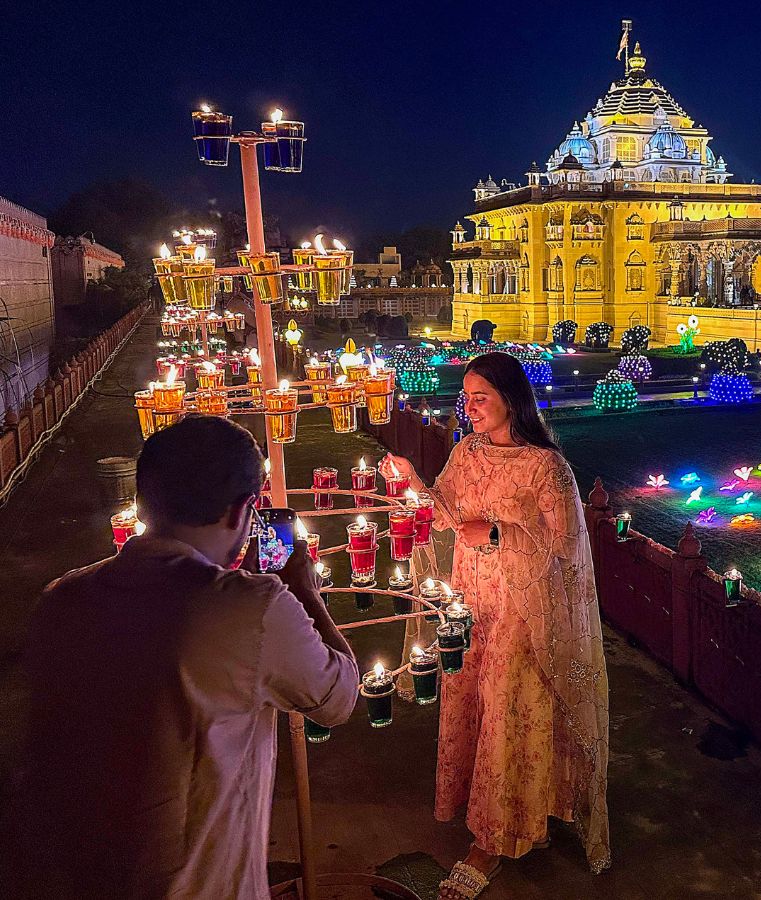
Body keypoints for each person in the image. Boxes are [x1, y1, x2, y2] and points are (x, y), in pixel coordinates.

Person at [9, 415, 359, 900]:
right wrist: (304, 595)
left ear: (143, 501)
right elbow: (337, 698)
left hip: (67, 875)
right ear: (244, 511)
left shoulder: (61, 598)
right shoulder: (252, 607)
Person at [382, 352, 610, 899]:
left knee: (507, 710)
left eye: (480, 396)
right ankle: (506, 811)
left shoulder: (545, 468)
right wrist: (413, 481)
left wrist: (501, 535)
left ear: (512, 400)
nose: (470, 406)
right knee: (473, 702)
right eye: (466, 396)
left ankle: (491, 840)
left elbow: (566, 549)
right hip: (470, 606)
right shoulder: (467, 451)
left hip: (522, 613)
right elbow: (443, 511)